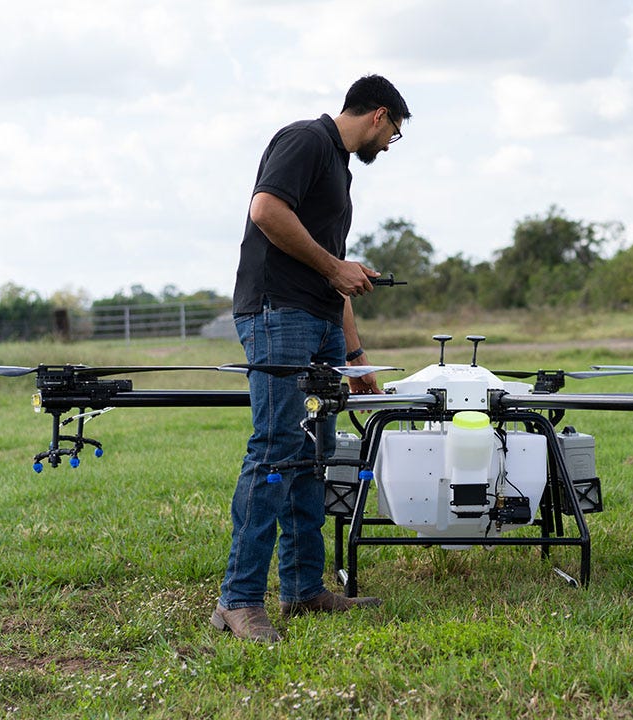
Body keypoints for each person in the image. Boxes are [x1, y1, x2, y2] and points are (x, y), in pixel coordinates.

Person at [211, 75, 411, 642]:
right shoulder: (304, 139)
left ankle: (303, 590)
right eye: (394, 133)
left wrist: (356, 354)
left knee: (309, 455)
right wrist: (332, 267)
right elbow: (266, 210)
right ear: (378, 115)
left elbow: (337, 275)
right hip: (278, 314)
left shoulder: (339, 169)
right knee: (275, 449)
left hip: (320, 321)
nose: (390, 144)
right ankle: (239, 600)